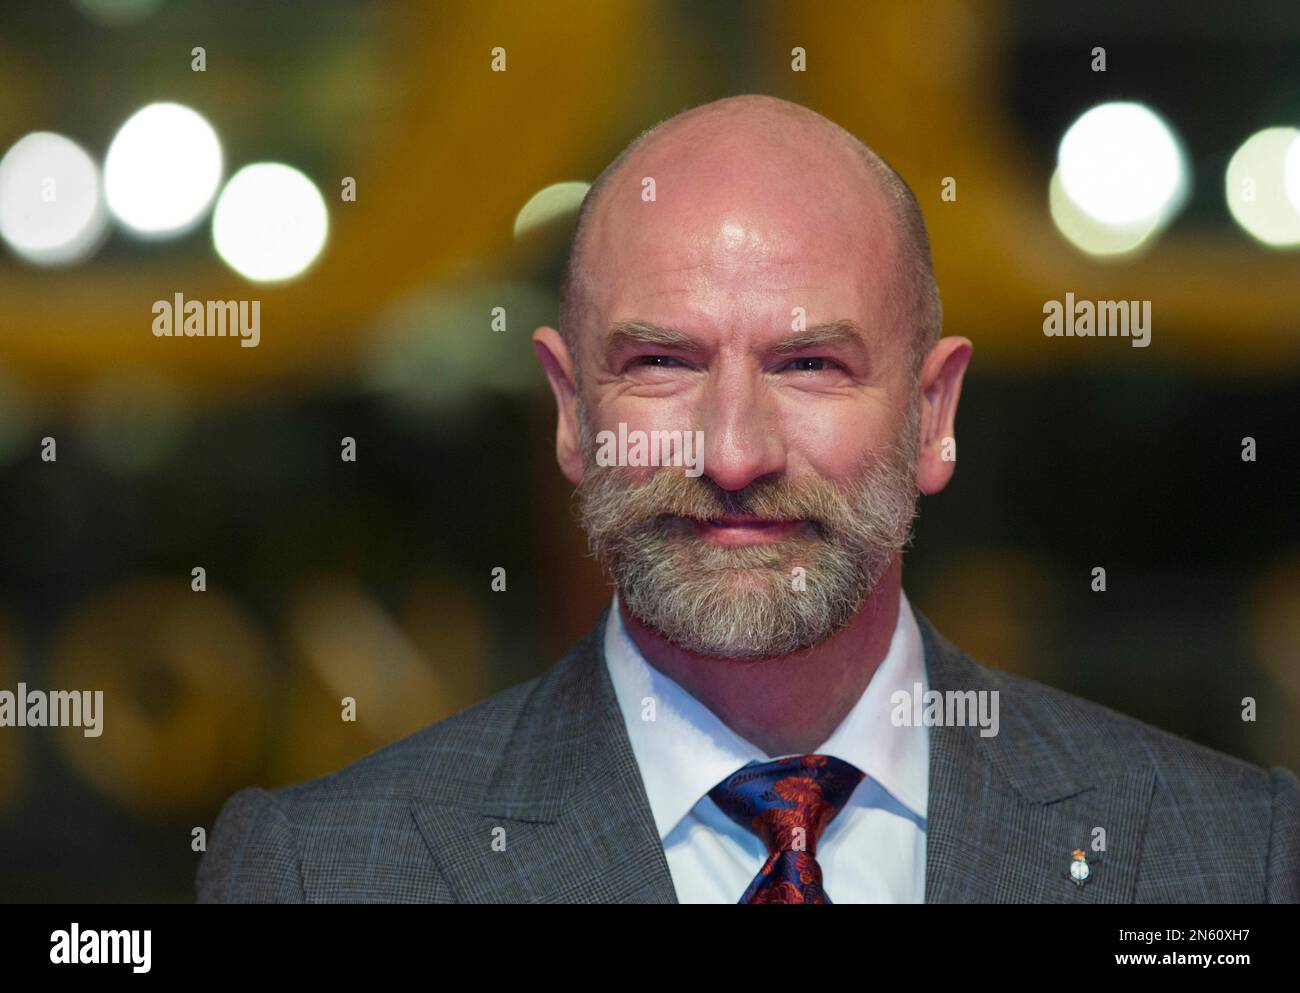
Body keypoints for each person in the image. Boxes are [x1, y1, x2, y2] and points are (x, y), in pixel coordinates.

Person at [197, 94, 1299, 903]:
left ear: (933, 414)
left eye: (809, 366)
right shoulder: (325, 874)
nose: (732, 454)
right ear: (572, 412)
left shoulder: (1230, 859)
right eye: (663, 363)